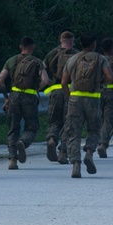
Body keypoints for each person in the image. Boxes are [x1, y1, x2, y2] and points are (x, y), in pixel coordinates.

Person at [59, 33, 113, 178]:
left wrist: (69, 96)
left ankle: (75, 164)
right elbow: (110, 77)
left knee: (73, 132)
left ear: (81, 44)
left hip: (75, 99)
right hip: (93, 99)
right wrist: (98, 83)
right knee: (94, 130)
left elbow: (63, 82)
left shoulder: (72, 59)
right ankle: (89, 152)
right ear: (93, 45)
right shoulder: (100, 58)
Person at [0, 36, 49, 170]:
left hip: (14, 96)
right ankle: (23, 142)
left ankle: (13, 160)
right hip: (30, 98)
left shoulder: (11, 60)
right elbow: (45, 80)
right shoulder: (37, 62)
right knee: (32, 127)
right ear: (33, 47)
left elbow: (0, 80)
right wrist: (35, 88)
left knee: (13, 128)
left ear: (21, 46)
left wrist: (6, 98)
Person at [43, 31, 78, 163]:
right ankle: (63, 152)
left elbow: (42, 69)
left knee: (54, 120)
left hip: (55, 91)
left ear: (60, 39)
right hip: (71, 92)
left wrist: (47, 83)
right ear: (72, 40)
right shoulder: (77, 55)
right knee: (69, 122)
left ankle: (52, 138)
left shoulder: (52, 54)